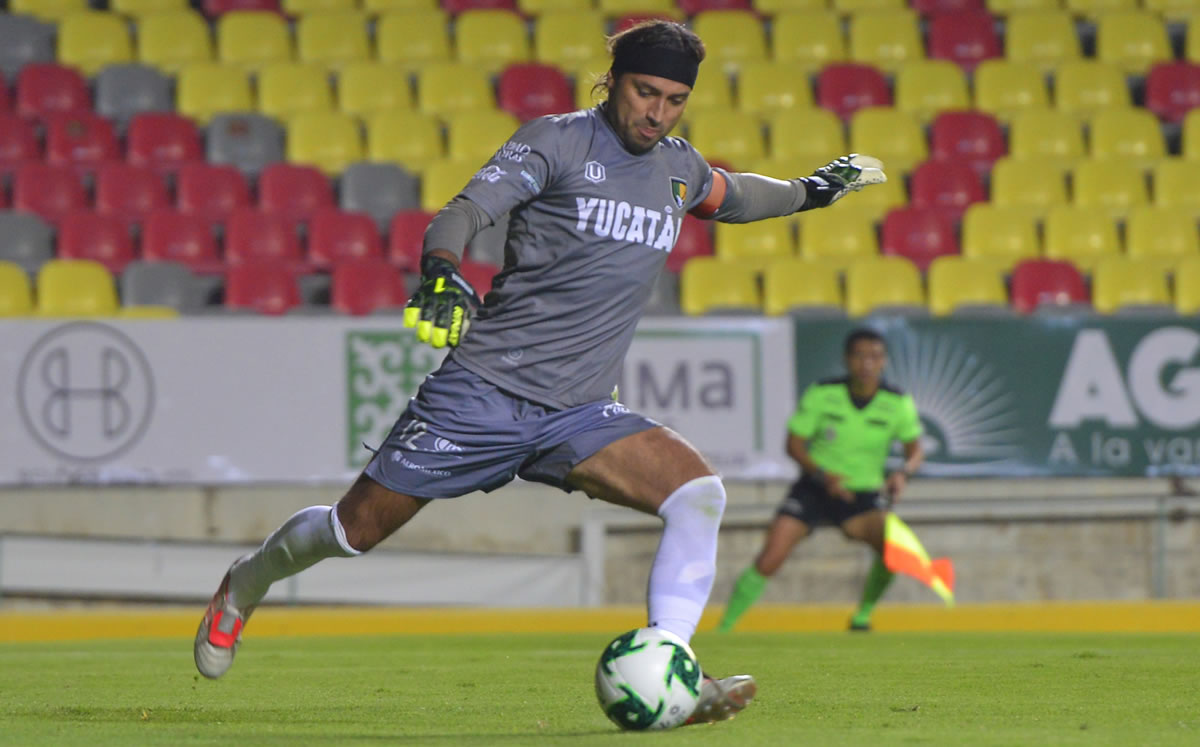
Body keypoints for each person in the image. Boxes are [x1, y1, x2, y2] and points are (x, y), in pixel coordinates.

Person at [193, 20, 887, 724]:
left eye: (675, 99)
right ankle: (243, 584)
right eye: (646, 91)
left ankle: (671, 668)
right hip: (485, 392)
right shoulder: (556, 143)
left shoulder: (679, 169)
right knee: (352, 530)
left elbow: (736, 196)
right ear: (613, 81)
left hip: (580, 412)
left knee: (698, 493)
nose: (658, 111)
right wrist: (441, 269)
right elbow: (466, 211)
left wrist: (814, 190)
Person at [718, 328, 925, 634]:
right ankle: (725, 629)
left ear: (884, 362)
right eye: (860, 356)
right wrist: (821, 475)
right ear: (846, 359)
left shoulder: (897, 403)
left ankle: (862, 617)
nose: (867, 364)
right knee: (770, 557)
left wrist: (903, 473)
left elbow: (915, 449)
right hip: (815, 487)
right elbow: (794, 444)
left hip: (860, 497)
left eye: (875, 357)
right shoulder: (823, 393)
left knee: (893, 547)